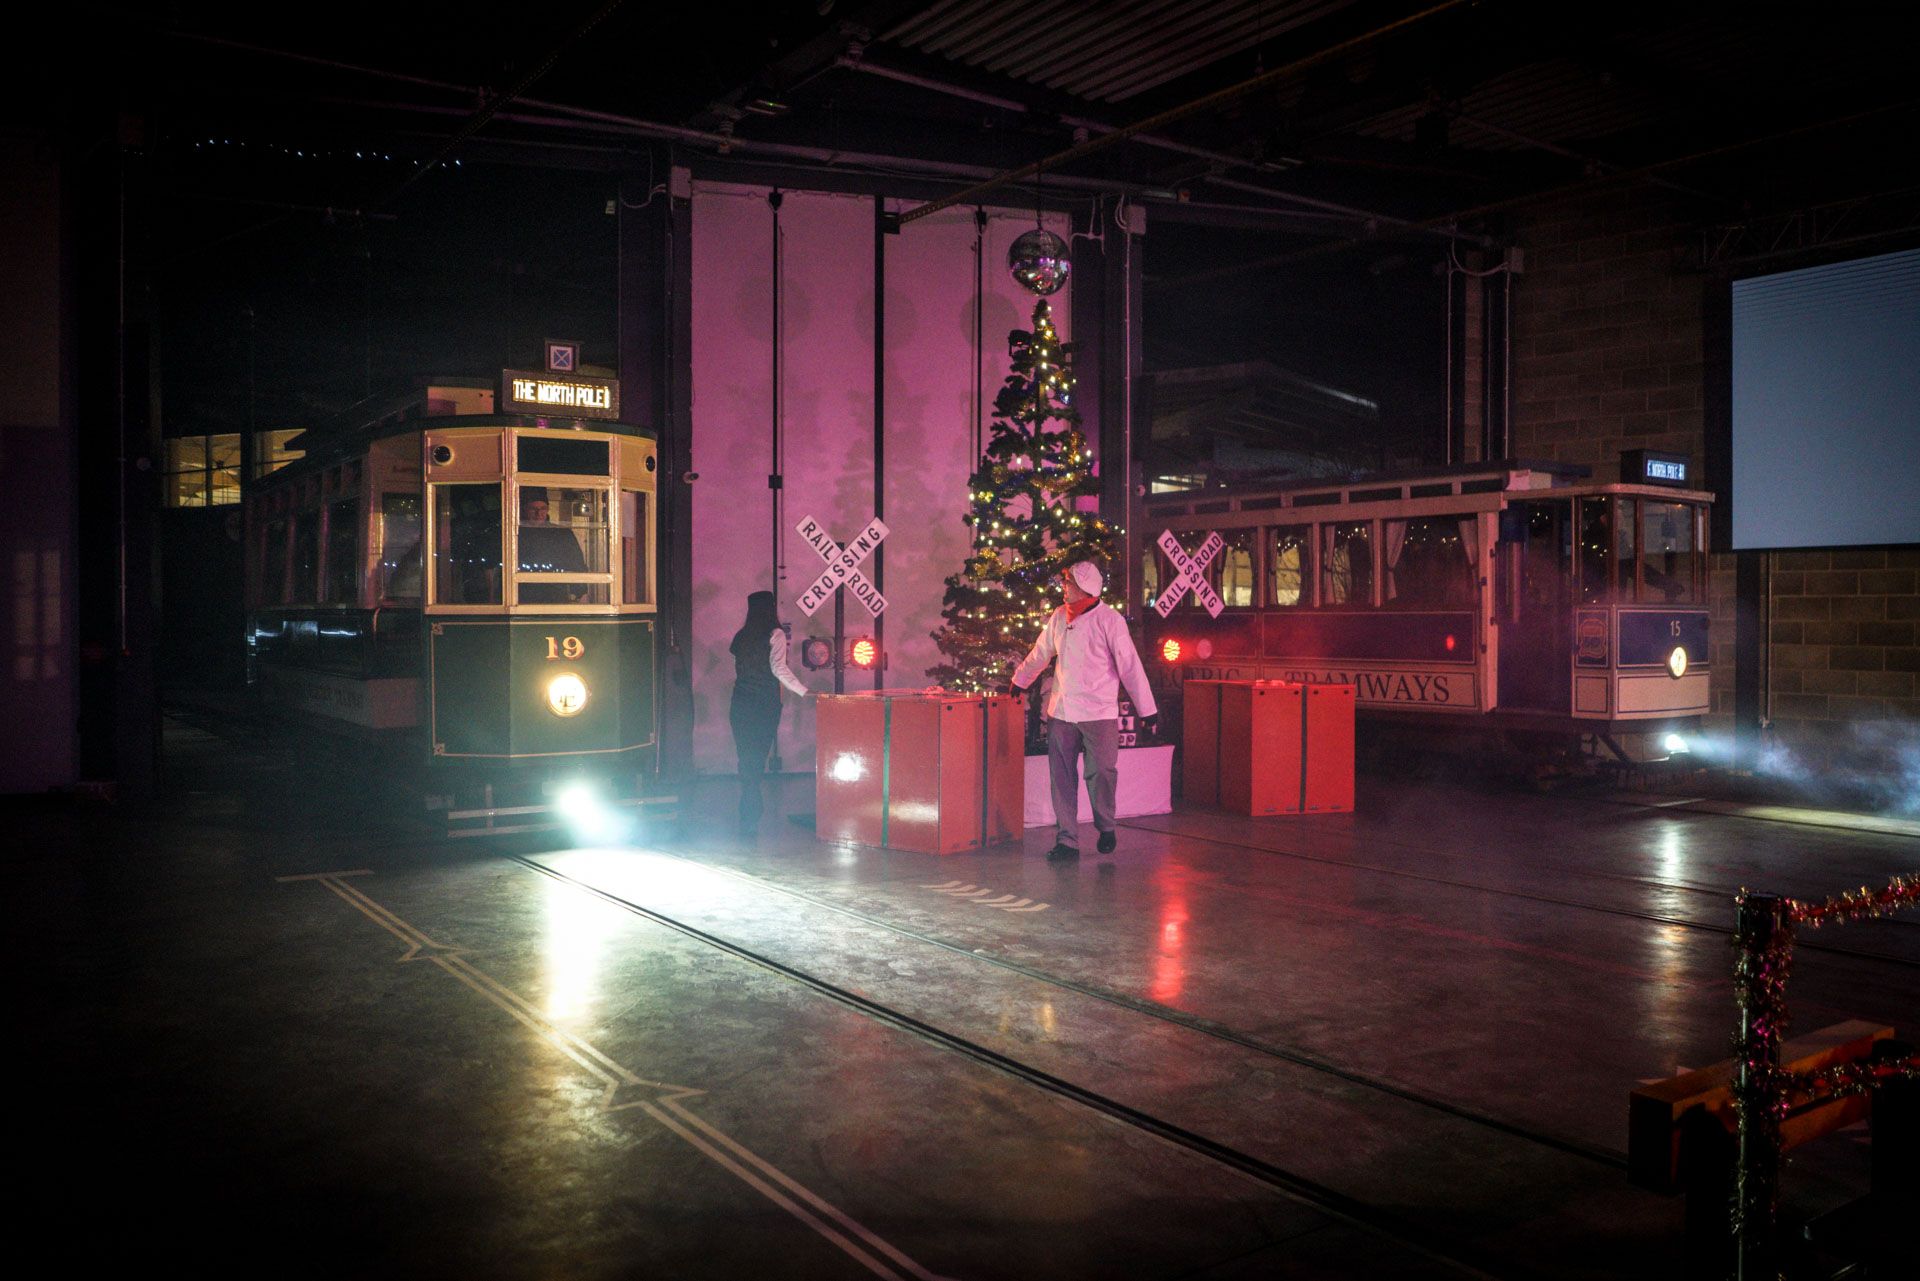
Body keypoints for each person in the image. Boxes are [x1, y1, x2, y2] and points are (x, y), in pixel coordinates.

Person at [1011, 560, 1159, 861]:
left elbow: (1129, 666)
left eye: (1068, 583)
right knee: (1062, 776)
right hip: (1062, 712)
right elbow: (1041, 652)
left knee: (1101, 771)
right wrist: (1021, 679)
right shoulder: (1058, 617)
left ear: (1085, 587)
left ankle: (1105, 825)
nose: (1063, 587)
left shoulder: (1110, 620)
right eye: (1064, 582)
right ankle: (1067, 840)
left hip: (1099, 713)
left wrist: (1147, 709)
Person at [729, 590, 811, 831]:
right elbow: (778, 668)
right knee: (757, 756)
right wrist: (804, 691)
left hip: (740, 702)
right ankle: (751, 811)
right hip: (764, 703)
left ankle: (748, 810)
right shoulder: (775, 634)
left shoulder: (741, 636)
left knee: (745, 756)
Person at [518, 488, 588, 604]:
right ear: (525, 509)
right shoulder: (516, 534)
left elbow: (576, 563)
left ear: (548, 509)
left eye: (543, 509)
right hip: (523, 595)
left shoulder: (562, 534)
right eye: (533, 509)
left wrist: (580, 591)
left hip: (555, 594)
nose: (538, 513)